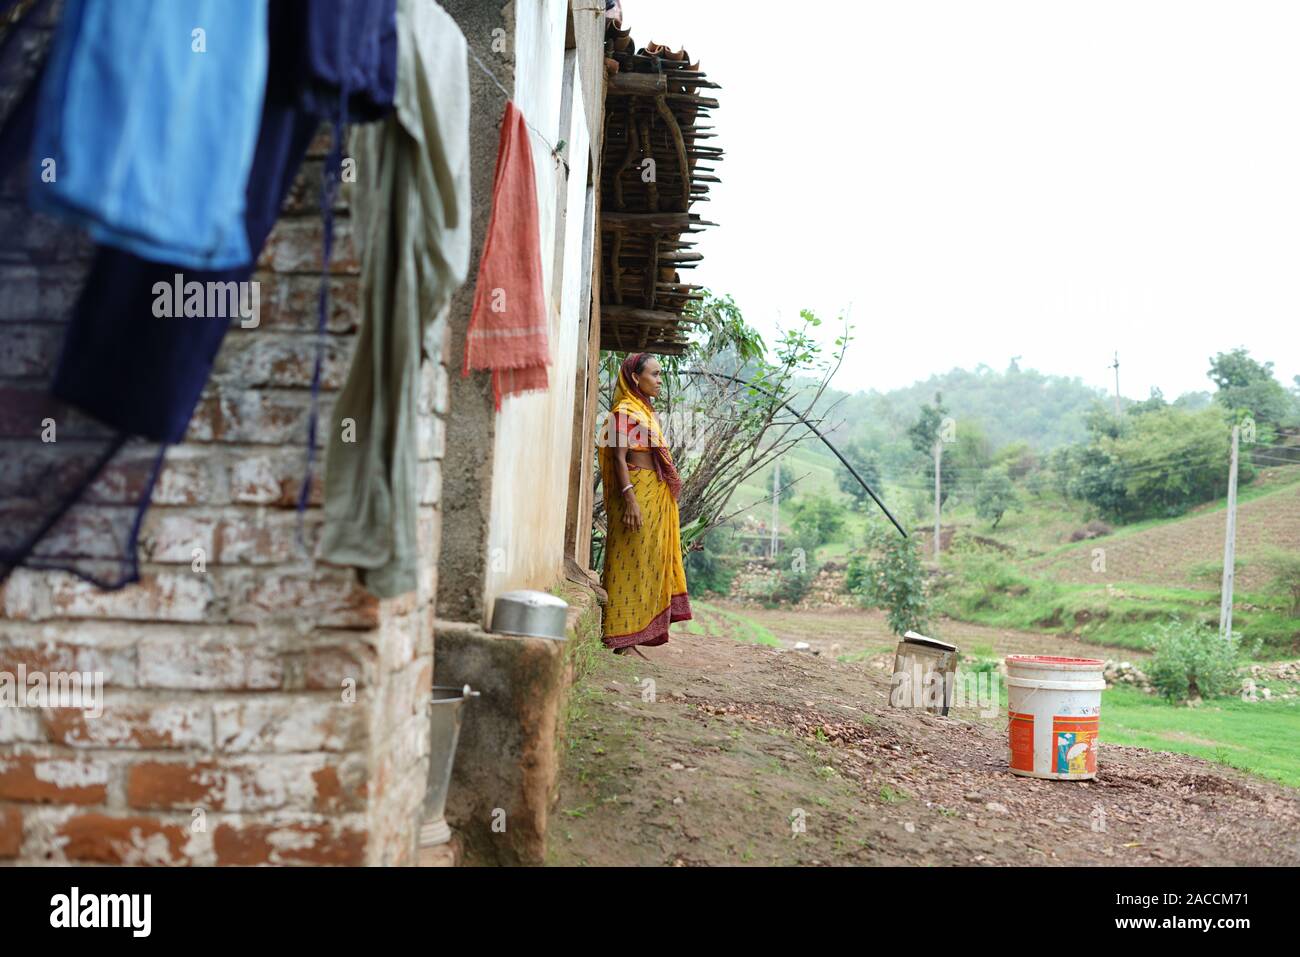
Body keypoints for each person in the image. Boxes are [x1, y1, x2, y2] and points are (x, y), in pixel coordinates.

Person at [598, 353, 692, 657]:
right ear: (635, 378)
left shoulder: (645, 411)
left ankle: (633, 634)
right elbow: (617, 458)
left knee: (650, 559)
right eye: (654, 374)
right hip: (636, 492)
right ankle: (619, 633)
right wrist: (630, 500)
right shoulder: (623, 411)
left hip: (655, 491)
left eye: (661, 374)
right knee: (630, 557)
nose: (660, 381)